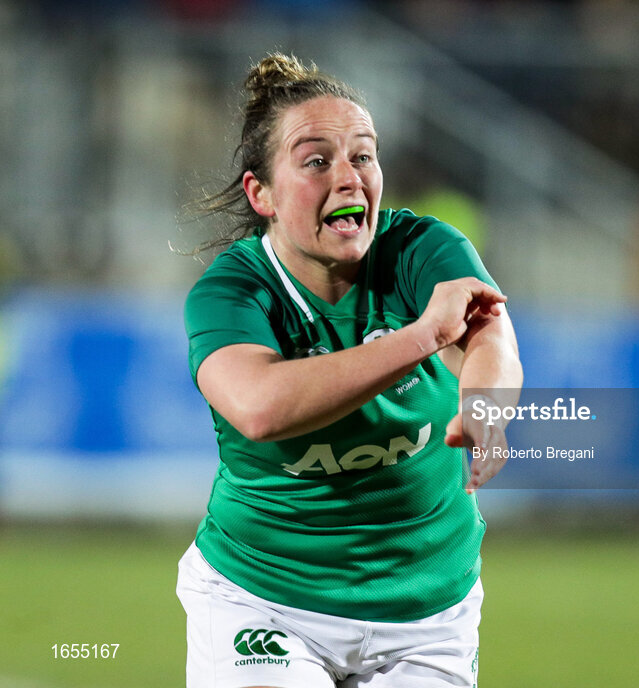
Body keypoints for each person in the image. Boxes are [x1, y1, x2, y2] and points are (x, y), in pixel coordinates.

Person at [176, 52, 522, 688]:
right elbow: (260, 408)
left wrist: (487, 407)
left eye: (363, 156)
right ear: (262, 194)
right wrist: (420, 338)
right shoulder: (232, 293)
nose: (349, 178)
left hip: (428, 610)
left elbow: (491, 338)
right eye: (316, 161)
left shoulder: (422, 248)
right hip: (264, 602)